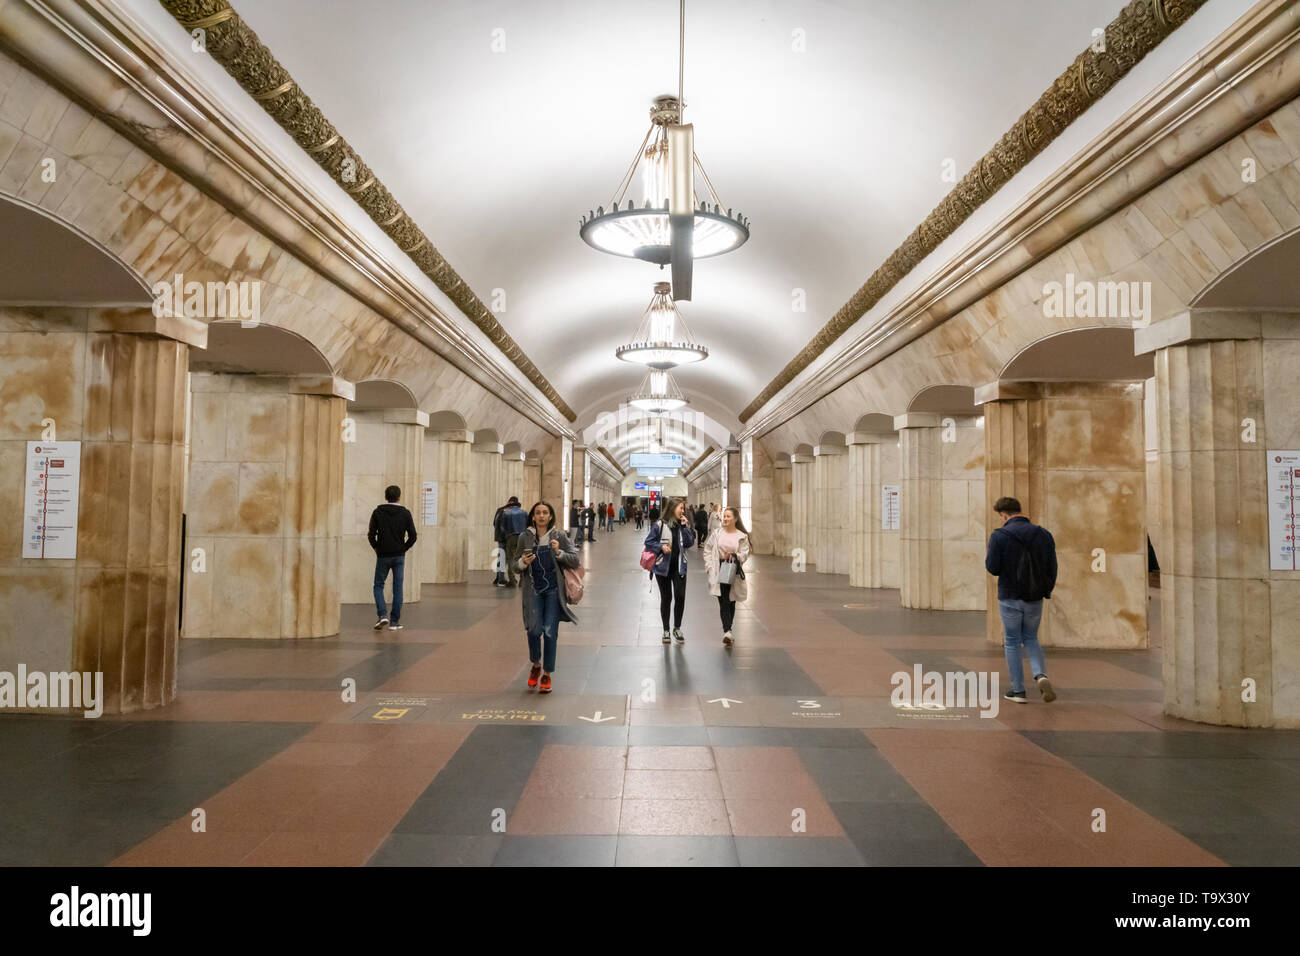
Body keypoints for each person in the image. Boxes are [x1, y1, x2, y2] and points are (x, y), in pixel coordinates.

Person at [985, 496, 1059, 705]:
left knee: (1012, 641)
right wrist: (1045, 590)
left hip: (1009, 596)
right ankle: (1040, 674)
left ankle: (1018, 690)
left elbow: (992, 567)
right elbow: (1052, 567)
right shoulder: (1043, 534)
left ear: (1004, 515)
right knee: (1031, 638)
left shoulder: (999, 536)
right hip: (1034, 597)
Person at [515, 500, 580, 694]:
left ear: (550, 516)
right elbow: (513, 565)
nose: (541, 516)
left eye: (545, 512)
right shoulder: (524, 537)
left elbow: (575, 559)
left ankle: (547, 674)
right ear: (533, 517)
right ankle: (536, 664)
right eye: (538, 513)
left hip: (553, 590)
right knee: (534, 631)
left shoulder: (559, 536)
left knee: (550, 632)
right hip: (533, 589)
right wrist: (522, 562)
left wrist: (559, 552)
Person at [644, 497, 695, 644]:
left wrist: (685, 527)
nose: (683, 511)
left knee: (680, 596)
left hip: (679, 567)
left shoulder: (682, 525)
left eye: (683, 508)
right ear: (673, 508)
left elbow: (689, 543)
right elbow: (648, 542)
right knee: (666, 598)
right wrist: (661, 547)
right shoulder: (660, 525)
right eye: (681, 508)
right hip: (662, 568)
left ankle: (677, 628)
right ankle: (666, 630)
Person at [368, 484, 418, 631]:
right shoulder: (405, 513)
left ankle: (382, 614)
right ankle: (394, 622)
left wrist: (376, 548)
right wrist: (404, 548)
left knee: (378, 585)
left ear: (386, 497)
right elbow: (413, 536)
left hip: (383, 554)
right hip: (399, 555)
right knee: (398, 588)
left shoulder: (377, 512)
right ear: (399, 497)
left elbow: (371, 534)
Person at [704, 506, 751, 645]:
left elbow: (745, 553)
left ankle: (728, 629)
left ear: (735, 519)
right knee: (723, 599)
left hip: (732, 567)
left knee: (731, 600)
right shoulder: (717, 533)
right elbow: (708, 549)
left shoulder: (742, 536)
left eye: (728, 516)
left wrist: (735, 556)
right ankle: (727, 630)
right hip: (719, 567)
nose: (725, 518)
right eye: (724, 516)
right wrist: (709, 566)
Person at [496, 496, 528, 588]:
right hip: (523, 536)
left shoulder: (506, 513)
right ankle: (522, 580)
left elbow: (502, 528)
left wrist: (506, 535)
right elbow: (528, 525)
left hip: (511, 537)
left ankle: (512, 580)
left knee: (511, 558)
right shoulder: (524, 512)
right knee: (522, 557)